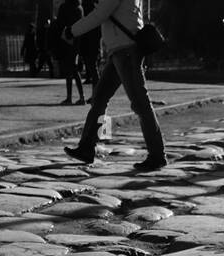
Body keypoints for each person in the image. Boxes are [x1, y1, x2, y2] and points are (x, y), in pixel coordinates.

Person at [63, 0, 166, 173]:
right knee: (100, 99)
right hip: (120, 49)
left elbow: (100, 14)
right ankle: (87, 147)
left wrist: (71, 31)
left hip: (125, 51)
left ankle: (157, 155)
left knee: (140, 102)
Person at [54, 0, 84, 102]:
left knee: (69, 70)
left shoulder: (64, 7)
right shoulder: (79, 8)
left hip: (66, 39)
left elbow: (59, 23)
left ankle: (69, 97)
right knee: (75, 70)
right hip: (76, 41)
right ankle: (81, 96)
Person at [79, 0, 101, 83]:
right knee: (92, 63)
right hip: (93, 36)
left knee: (90, 62)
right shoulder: (95, 6)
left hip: (87, 36)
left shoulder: (84, 6)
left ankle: (95, 83)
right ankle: (95, 84)